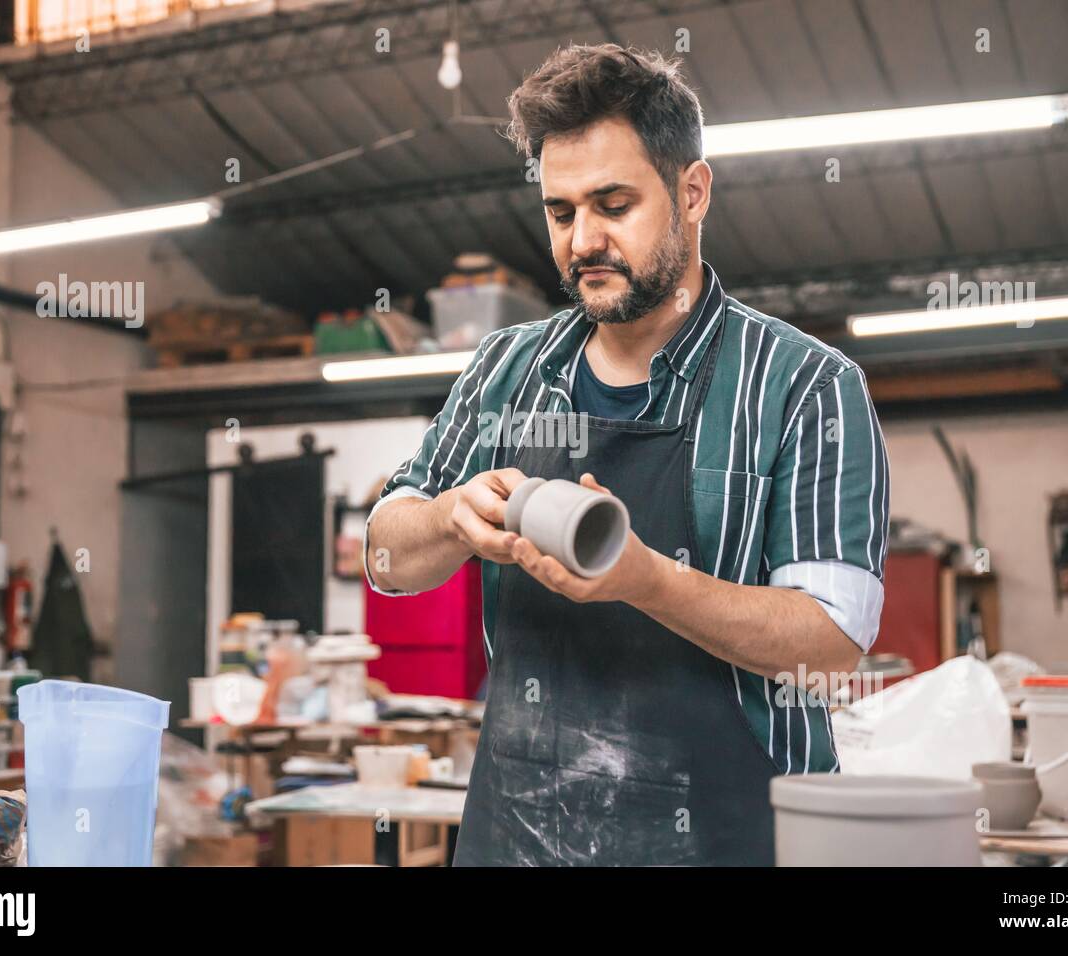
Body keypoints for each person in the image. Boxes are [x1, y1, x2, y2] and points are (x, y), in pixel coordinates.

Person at [365, 44, 890, 865]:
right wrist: (446, 518)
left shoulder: (805, 387)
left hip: (727, 838)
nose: (585, 240)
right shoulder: (506, 370)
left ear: (692, 192)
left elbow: (831, 641)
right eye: (562, 211)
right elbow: (386, 556)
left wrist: (646, 581)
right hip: (519, 833)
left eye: (614, 203)